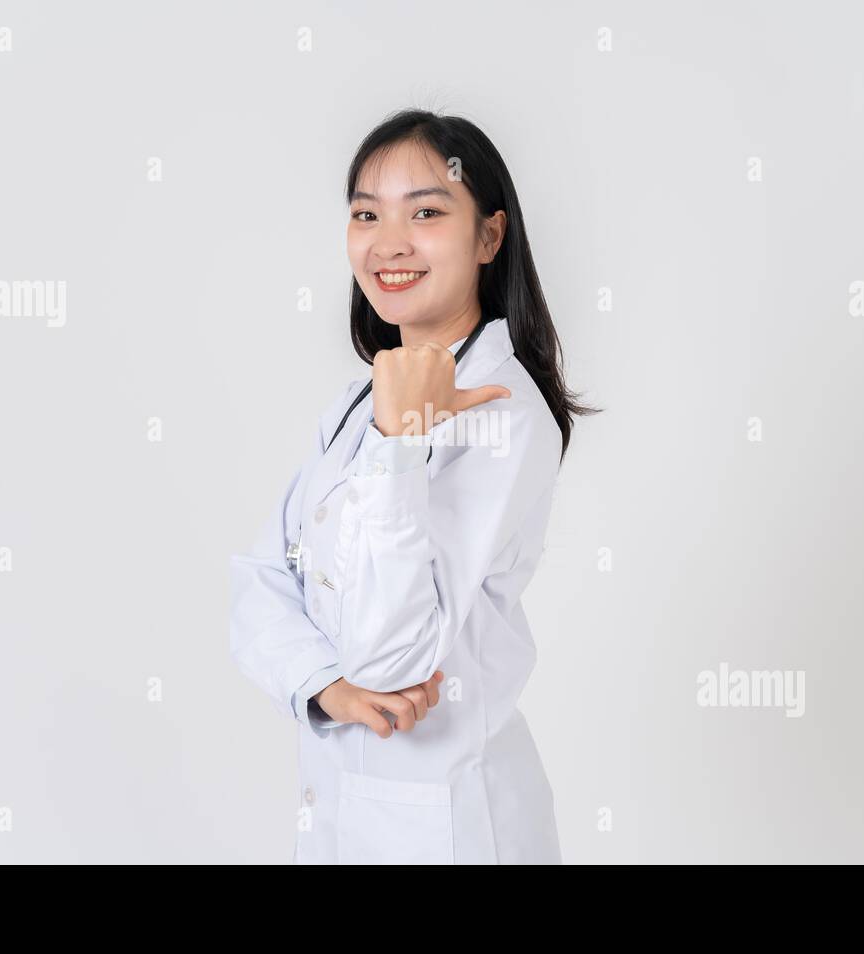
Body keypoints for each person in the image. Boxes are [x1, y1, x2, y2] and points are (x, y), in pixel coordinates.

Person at [229, 108, 596, 864]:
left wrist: (402, 446)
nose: (389, 243)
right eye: (367, 214)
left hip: (453, 824)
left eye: (426, 212)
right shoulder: (360, 402)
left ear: (489, 236)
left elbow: (395, 659)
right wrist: (325, 685)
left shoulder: (504, 411)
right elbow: (262, 579)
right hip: (346, 812)